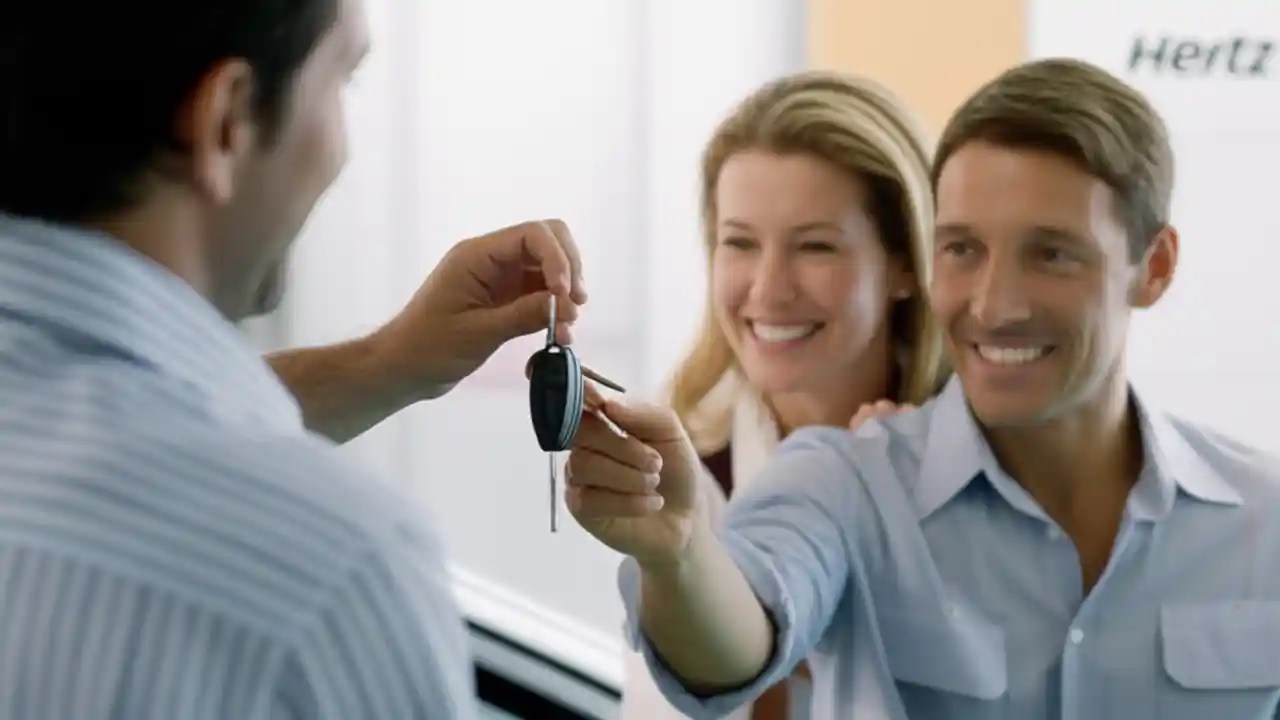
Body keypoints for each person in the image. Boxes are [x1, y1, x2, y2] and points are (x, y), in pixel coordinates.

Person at [567, 57, 1280, 719]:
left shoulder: (1264, 520)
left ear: (1154, 268)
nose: (996, 305)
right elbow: (739, 636)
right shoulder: (844, 479)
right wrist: (680, 554)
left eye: (1051, 254)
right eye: (963, 248)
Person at [0, 1, 585, 718]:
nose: (343, 152)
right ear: (227, 122)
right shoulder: (331, 579)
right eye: (343, 81)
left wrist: (386, 362)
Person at [617, 70, 948, 720]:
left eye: (815, 247)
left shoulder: (980, 465)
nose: (768, 289)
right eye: (740, 243)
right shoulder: (677, 461)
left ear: (907, 263)